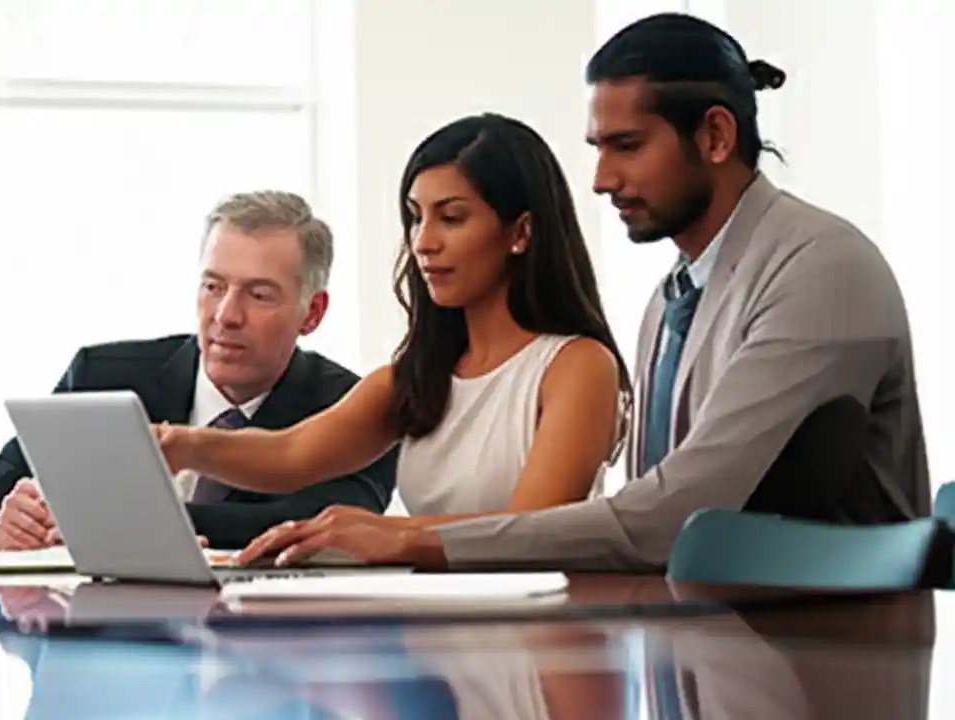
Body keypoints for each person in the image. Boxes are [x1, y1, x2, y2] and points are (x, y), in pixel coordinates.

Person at [230, 13, 930, 571]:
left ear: (716, 135)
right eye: (597, 148)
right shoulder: (672, 297)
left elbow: (672, 517)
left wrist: (409, 539)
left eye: (626, 146)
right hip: (716, 636)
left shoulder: (819, 268)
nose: (599, 179)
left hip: (834, 650)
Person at [156, 112, 632, 565]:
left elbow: (535, 528)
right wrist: (182, 445)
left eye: (451, 218)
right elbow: (291, 454)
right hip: (432, 626)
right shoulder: (419, 374)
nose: (423, 241)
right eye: (415, 217)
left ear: (521, 232)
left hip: (536, 630)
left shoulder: (578, 366)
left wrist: (397, 534)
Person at [0, 191, 398, 560]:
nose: (225, 315)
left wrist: (107, 526)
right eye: (214, 287)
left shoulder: (353, 407)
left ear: (311, 313)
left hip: (272, 656)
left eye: (259, 295)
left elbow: (316, 524)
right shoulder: (102, 377)